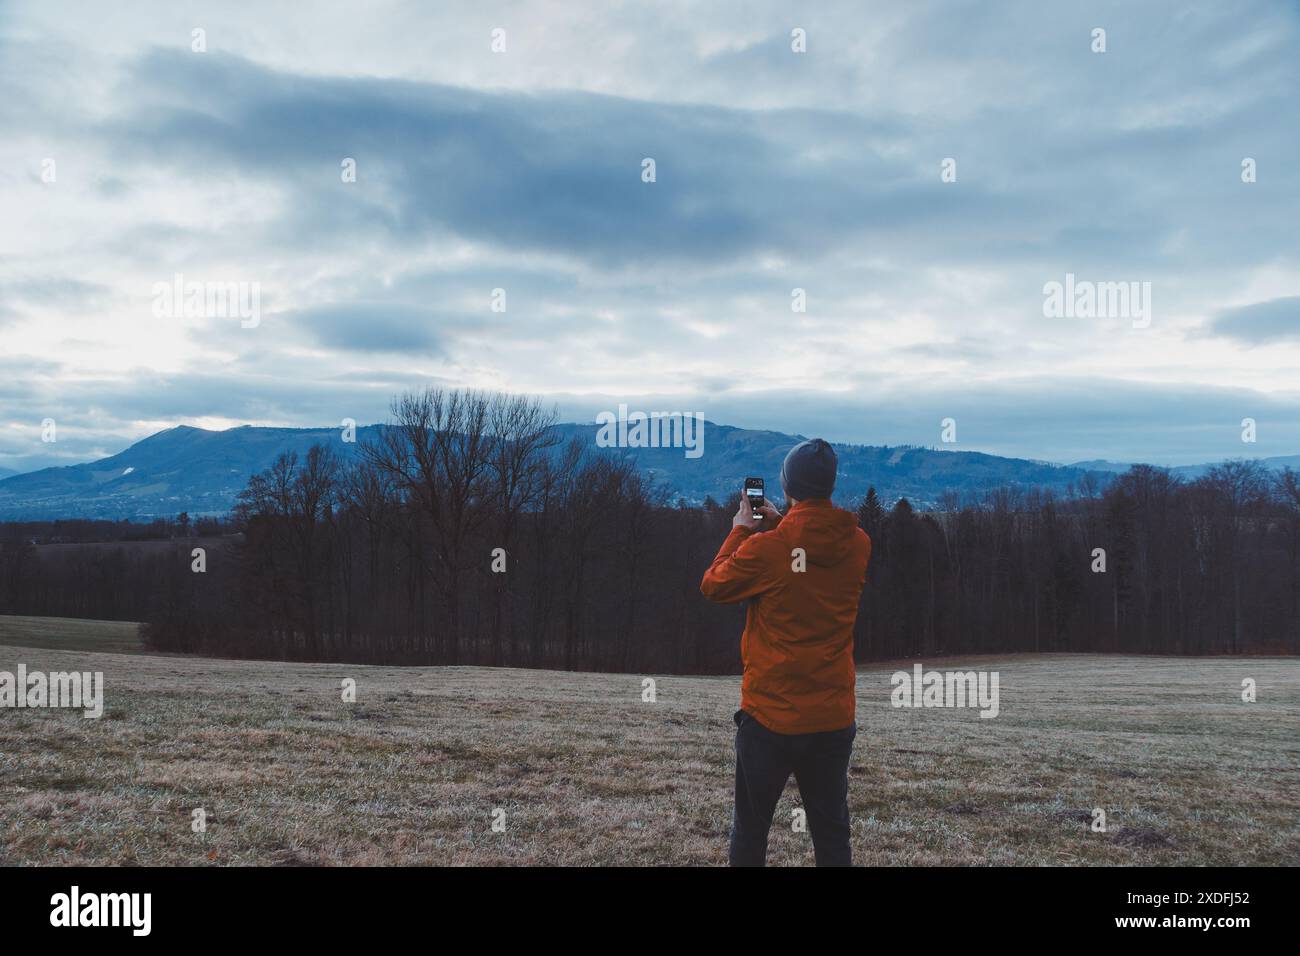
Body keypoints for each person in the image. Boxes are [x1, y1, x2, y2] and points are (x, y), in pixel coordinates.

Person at [699, 438, 872, 866]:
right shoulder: (859, 544)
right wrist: (785, 525)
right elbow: (806, 557)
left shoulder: (767, 550)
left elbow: (714, 583)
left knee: (752, 831)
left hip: (769, 718)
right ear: (829, 486)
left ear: (787, 486)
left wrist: (742, 527)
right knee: (832, 833)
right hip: (831, 717)